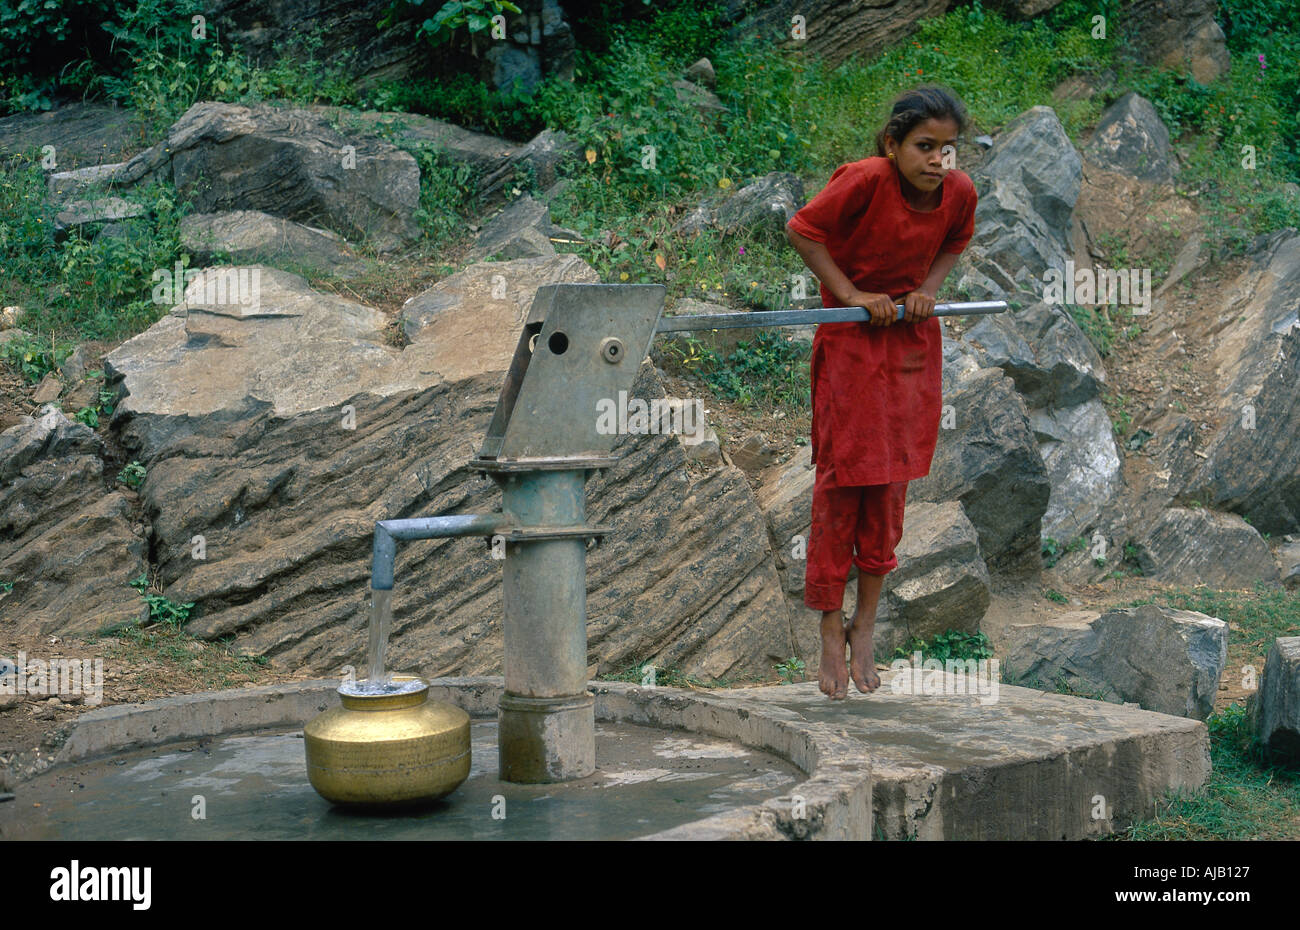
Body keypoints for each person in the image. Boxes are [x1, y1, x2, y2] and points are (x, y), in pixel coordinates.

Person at [785, 84, 978, 700]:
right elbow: (803, 229)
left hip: (910, 348)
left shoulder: (960, 192)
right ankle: (829, 626)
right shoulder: (865, 180)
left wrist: (924, 288)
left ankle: (865, 626)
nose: (937, 161)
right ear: (893, 144)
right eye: (924, 146)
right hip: (850, 344)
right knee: (844, 483)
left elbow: (954, 243)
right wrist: (850, 295)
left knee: (890, 486)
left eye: (948, 149)